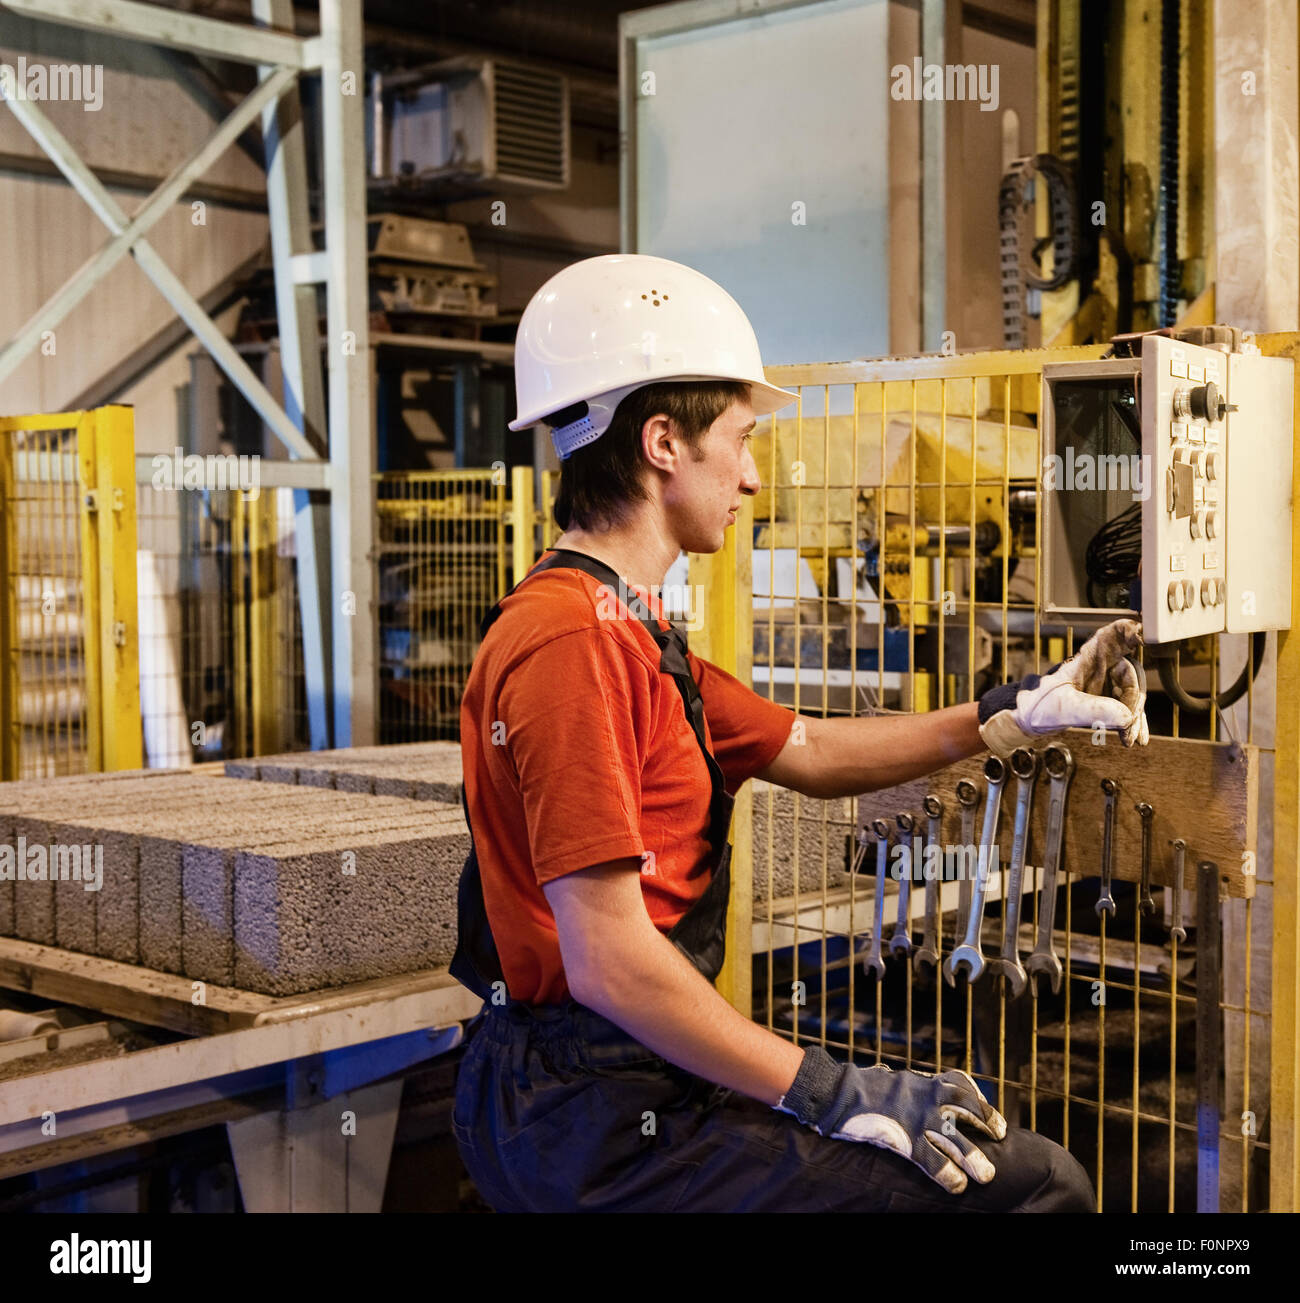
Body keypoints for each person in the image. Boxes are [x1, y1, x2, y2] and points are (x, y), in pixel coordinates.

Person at [451, 253, 1146, 1213]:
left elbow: (811, 750)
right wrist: (834, 1090)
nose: (751, 476)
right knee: (1038, 1188)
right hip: (594, 1123)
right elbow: (609, 959)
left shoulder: (623, 626)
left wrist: (1011, 711)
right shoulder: (572, 642)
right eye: (738, 439)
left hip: (612, 1085)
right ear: (662, 443)